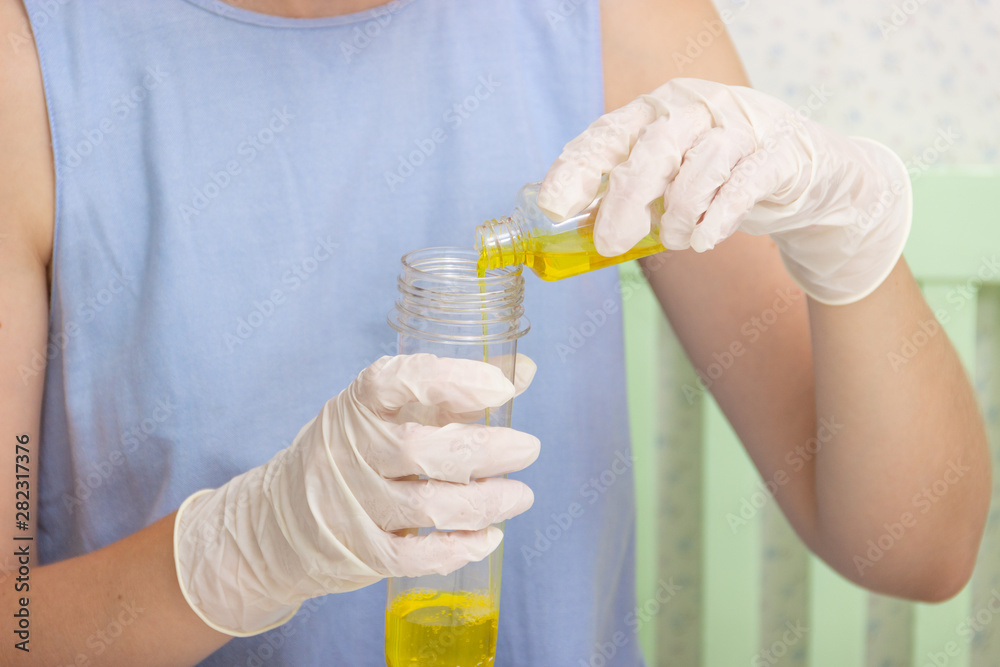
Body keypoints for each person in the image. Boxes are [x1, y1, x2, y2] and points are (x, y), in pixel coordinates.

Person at [0, 0, 989, 664]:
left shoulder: (615, 17)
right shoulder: (34, 59)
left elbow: (918, 552)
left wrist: (849, 237)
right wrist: (234, 556)